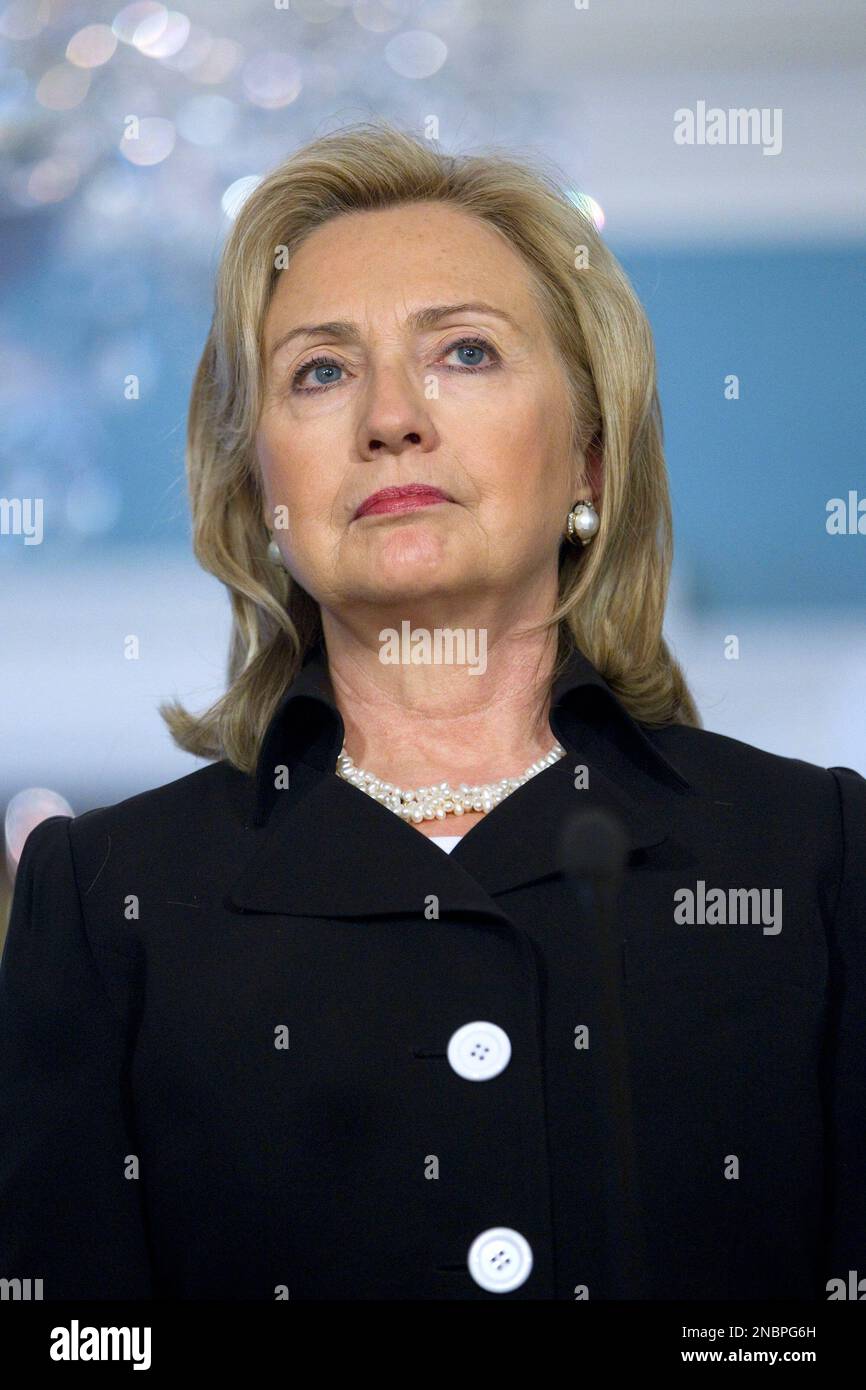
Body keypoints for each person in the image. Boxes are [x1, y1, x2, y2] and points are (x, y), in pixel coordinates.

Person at [1, 122, 863, 1301]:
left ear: (589, 463)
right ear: (260, 490)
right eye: (320, 370)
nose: (390, 416)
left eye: (463, 352)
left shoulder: (815, 851)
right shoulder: (102, 897)